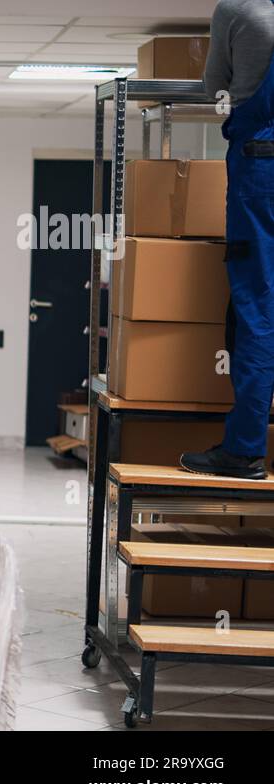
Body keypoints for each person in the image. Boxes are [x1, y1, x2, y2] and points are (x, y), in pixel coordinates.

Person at [183, 1, 274, 478]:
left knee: (257, 310)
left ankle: (244, 451)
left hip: (262, 169)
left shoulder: (239, 9)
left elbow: (213, 87)